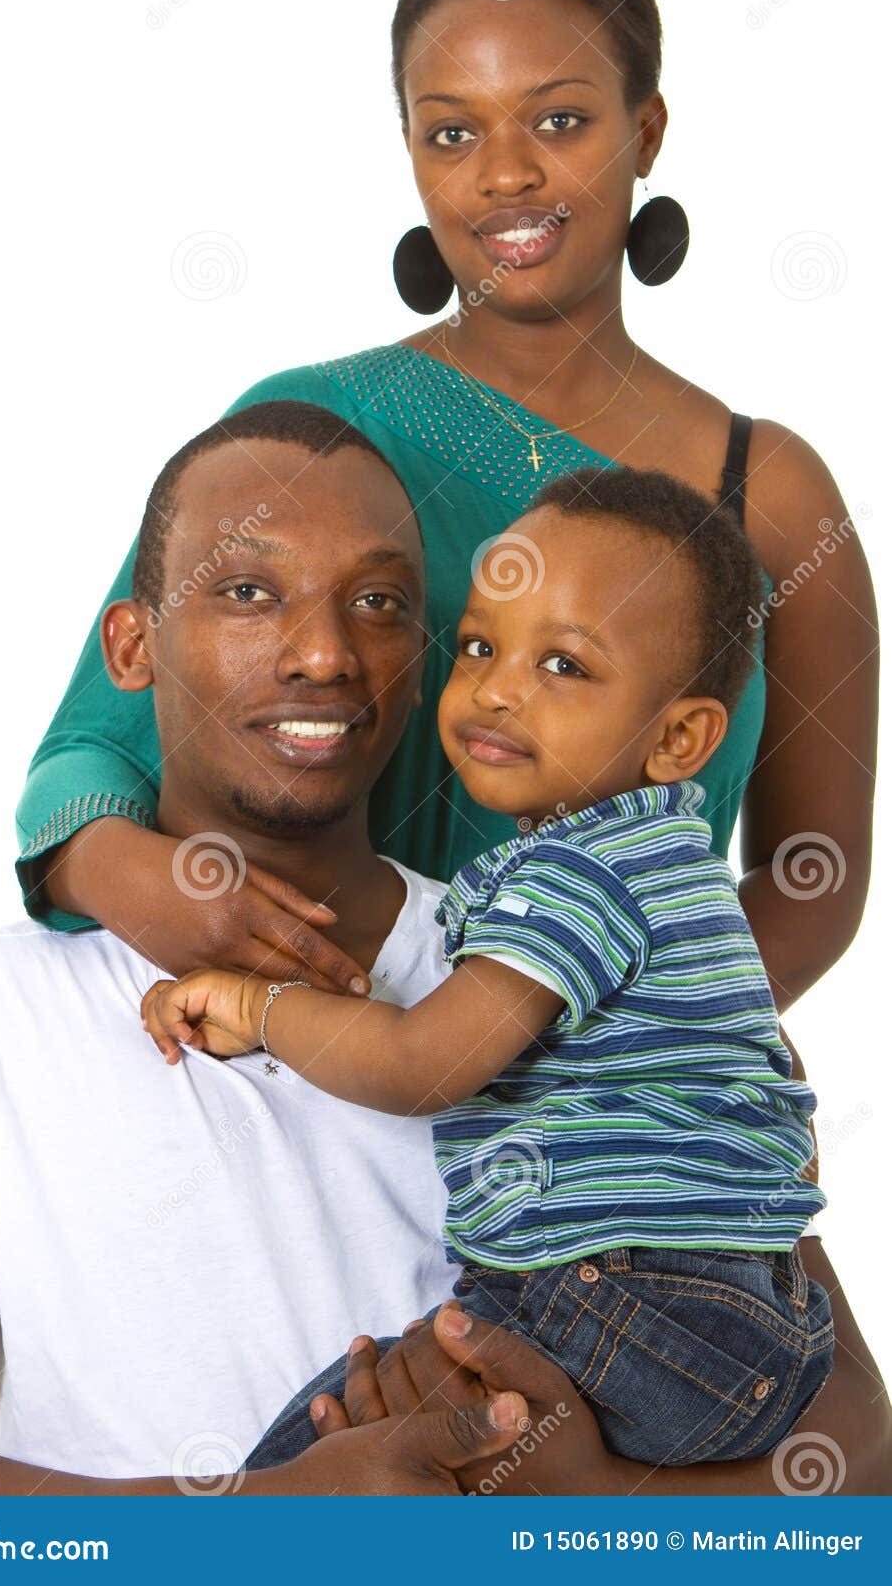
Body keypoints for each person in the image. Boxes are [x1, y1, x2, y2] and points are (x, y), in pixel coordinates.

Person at [0, 408, 886, 1494]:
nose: (325, 654)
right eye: (249, 590)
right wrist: (268, 1518)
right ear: (134, 647)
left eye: (378, 604)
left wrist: (597, 1507)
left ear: (416, 660)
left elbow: (858, 1461)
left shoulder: (579, 973)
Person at [15, 0, 875, 1055]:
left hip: (606, 1134)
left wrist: (602, 1053)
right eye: (452, 132)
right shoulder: (311, 425)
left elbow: (814, 878)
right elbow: (87, 757)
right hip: (299, 1062)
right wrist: (140, 879)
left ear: (645, 132)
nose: (504, 174)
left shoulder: (766, 491)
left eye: (558, 121)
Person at [140, 466, 833, 1469]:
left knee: (312, 1456)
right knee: (411, 1439)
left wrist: (257, 1004)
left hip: (633, 1299)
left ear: (680, 736)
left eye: (563, 665)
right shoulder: (671, 866)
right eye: (477, 646)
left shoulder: (584, 869)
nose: (497, 688)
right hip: (767, 1326)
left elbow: (421, 1064)